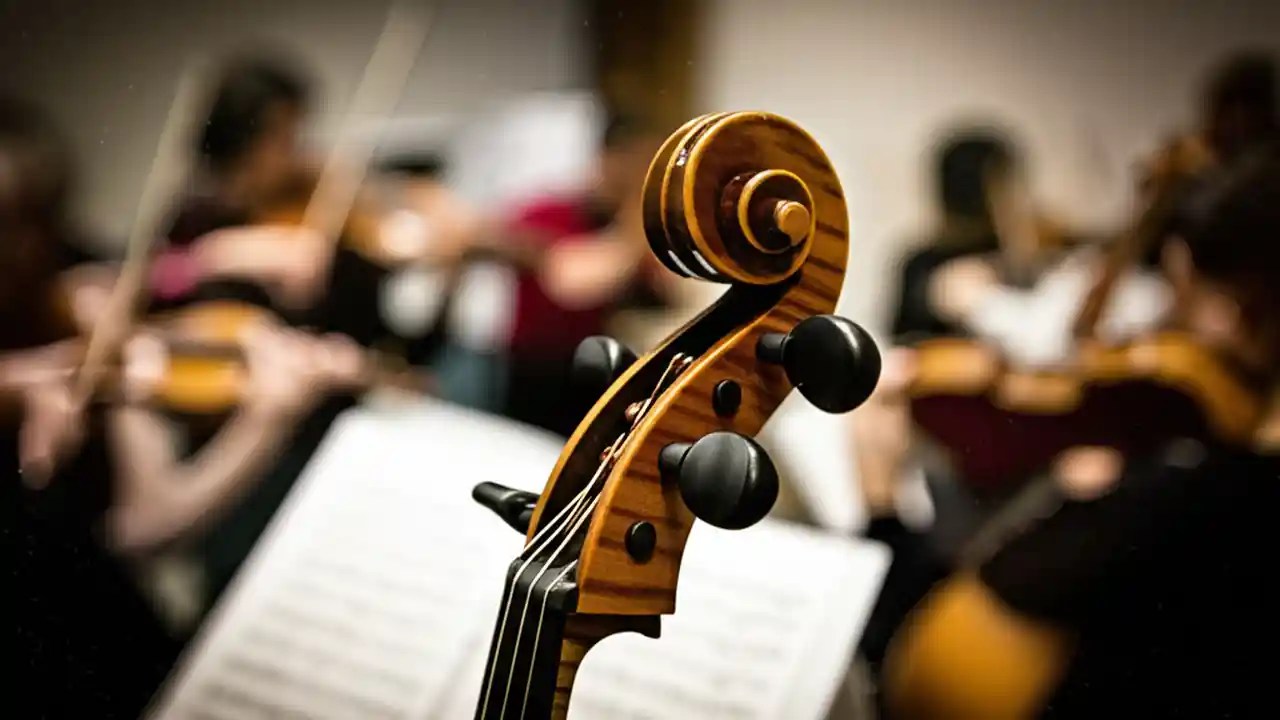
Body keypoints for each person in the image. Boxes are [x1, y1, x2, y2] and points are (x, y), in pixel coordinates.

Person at [882, 148, 1280, 718]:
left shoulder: (1187, 506)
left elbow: (933, 680)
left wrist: (879, 506)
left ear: (1233, 314)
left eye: (1180, 296)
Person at [460, 113, 671, 436]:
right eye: (640, 164)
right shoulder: (548, 211)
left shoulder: (626, 229)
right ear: (607, 159)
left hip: (595, 369)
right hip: (534, 371)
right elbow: (568, 277)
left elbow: (661, 298)